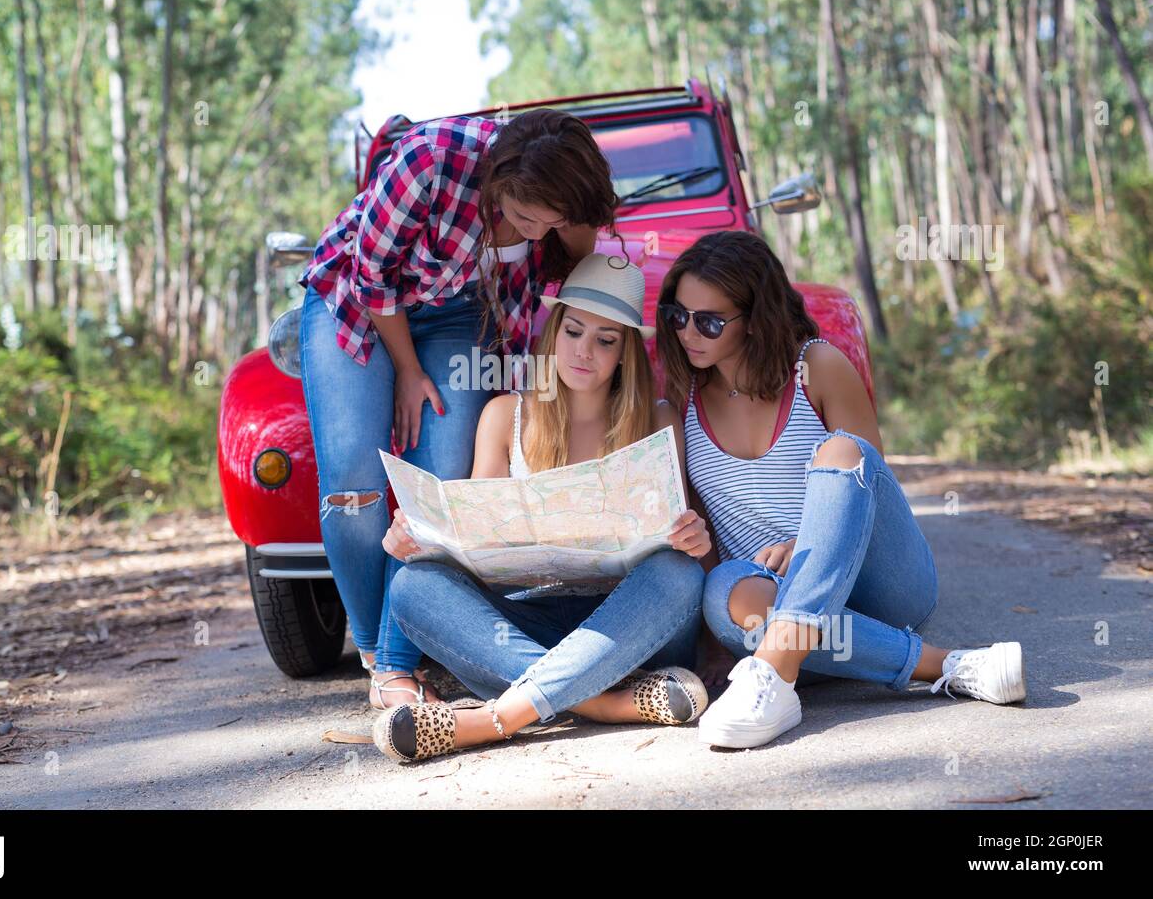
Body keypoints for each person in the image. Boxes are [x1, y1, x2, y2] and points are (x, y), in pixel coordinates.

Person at [653, 230, 1026, 749]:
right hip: (766, 603)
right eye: (678, 315)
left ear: (754, 319)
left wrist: (807, 541)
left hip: (879, 586)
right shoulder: (679, 398)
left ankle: (776, 668)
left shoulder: (817, 368)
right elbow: (698, 528)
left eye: (709, 321)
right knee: (724, 590)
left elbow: (869, 482)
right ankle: (952, 666)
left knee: (842, 452)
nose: (688, 332)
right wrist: (712, 646)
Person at [298, 109, 620, 709]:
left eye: (553, 218)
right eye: (524, 214)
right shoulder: (431, 157)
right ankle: (377, 651)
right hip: (357, 299)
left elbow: (575, 272)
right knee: (351, 482)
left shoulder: (562, 212)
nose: (536, 227)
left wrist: (572, 227)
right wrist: (408, 371)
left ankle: (400, 663)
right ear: (498, 174)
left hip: (458, 314)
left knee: (441, 482)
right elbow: (372, 273)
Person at [374, 253, 712, 763]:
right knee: (412, 587)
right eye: (573, 331)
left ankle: (499, 717)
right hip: (521, 622)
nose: (584, 351)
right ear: (553, 331)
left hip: (626, 624)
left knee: (678, 573)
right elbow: (473, 539)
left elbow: (684, 536)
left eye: (605, 340)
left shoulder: (657, 420)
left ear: (625, 353)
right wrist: (418, 539)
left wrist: (693, 538)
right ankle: (606, 702)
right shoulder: (504, 415)